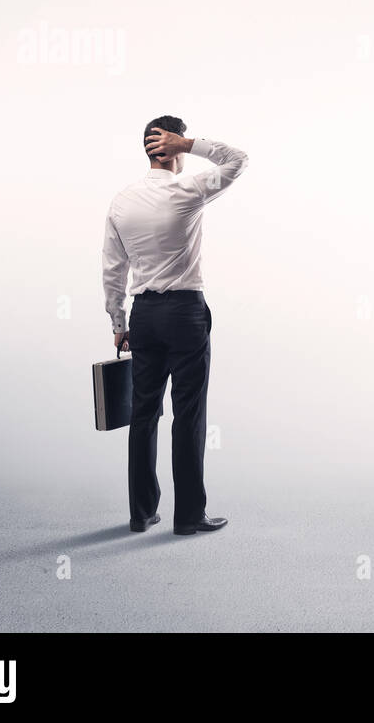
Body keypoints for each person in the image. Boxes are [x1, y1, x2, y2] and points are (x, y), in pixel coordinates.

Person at [101, 115, 248, 535]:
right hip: (185, 314)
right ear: (172, 147)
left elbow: (113, 268)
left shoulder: (121, 201)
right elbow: (237, 160)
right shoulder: (188, 190)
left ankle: (141, 513)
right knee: (189, 415)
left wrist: (118, 320)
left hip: (143, 316)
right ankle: (187, 516)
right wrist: (191, 145)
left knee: (144, 413)